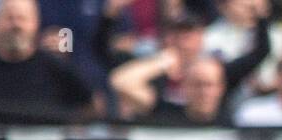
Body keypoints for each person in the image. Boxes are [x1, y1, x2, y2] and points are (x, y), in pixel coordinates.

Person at [107, 9, 268, 120]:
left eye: (190, 34)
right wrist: (162, 62)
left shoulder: (217, 69)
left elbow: (260, 53)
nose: (184, 42)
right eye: (178, 34)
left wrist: (260, 15)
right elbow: (120, 82)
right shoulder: (160, 81)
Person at [0, 0, 96, 125]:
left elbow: (89, 105)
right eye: (9, 18)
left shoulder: (56, 69)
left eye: (22, 19)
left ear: (35, 23)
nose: (16, 25)